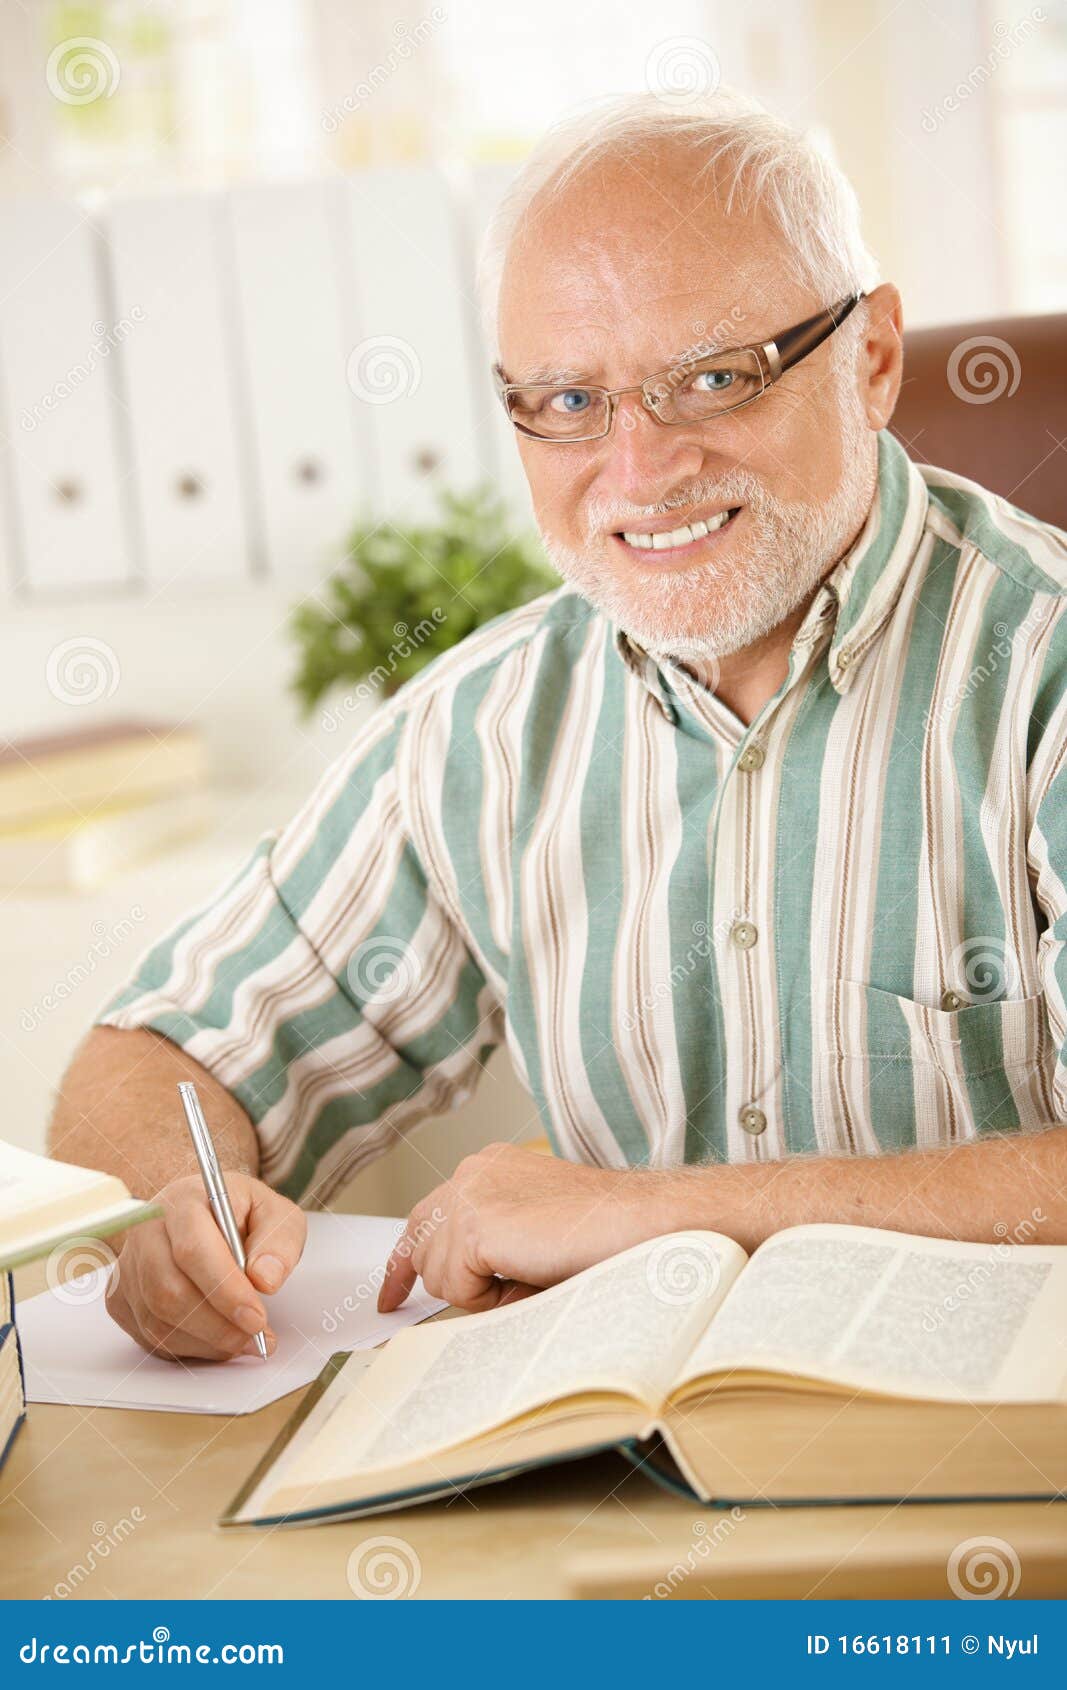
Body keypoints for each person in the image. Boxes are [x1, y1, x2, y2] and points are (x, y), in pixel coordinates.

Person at [50, 89, 1067, 1362]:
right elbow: (155, 1051)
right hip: (632, 1492)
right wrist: (170, 1210)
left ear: (870, 358)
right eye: (570, 402)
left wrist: (637, 1216)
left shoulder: (1040, 671)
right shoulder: (484, 726)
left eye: (711, 377)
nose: (638, 472)